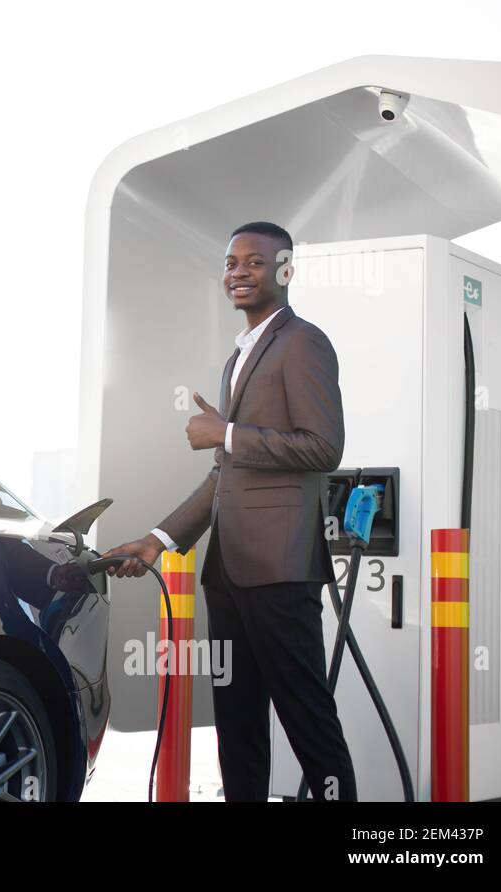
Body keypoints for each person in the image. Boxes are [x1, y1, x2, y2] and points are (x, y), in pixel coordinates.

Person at [101, 221, 357, 802]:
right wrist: (157, 540)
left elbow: (324, 447)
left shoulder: (303, 342)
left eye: (255, 263)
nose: (238, 272)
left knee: (307, 720)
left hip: (281, 570)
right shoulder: (238, 356)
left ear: (285, 271)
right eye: (230, 262)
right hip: (230, 572)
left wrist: (230, 432)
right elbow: (226, 475)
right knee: (238, 725)